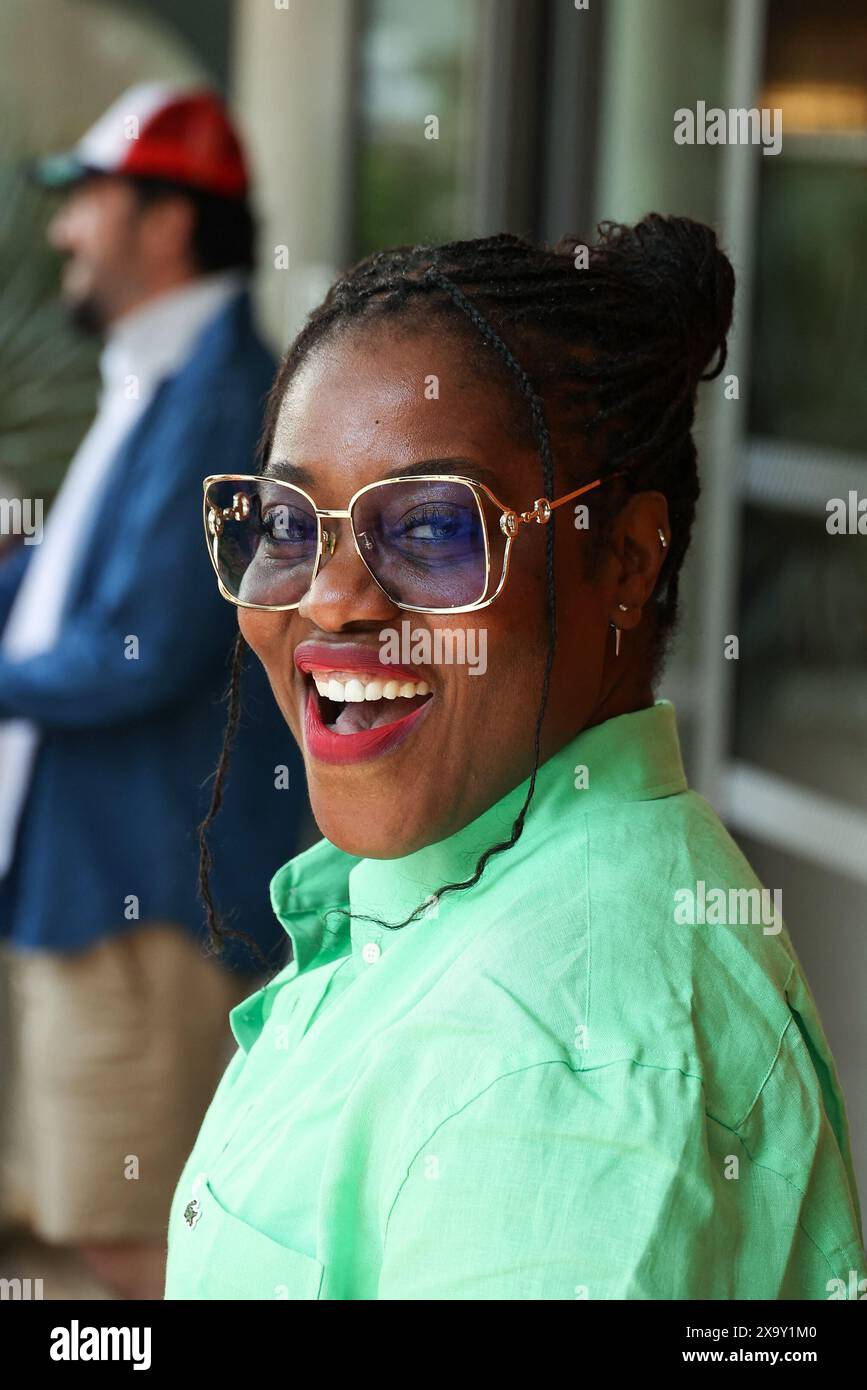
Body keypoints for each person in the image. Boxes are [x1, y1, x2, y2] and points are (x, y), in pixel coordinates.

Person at [164, 216, 865, 1300]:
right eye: (295, 525)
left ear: (625, 559)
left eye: (437, 529)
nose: (334, 603)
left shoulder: (557, 1061)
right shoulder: (464, 879)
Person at [0, 83, 306, 1300]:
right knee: (110, 1223)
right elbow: (92, 598)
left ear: (168, 222)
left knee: (148, 1244)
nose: (66, 230)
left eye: (89, 201)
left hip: (144, 908)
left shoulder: (228, 400)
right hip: (100, 890)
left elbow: (146, 645)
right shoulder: (163, 378)